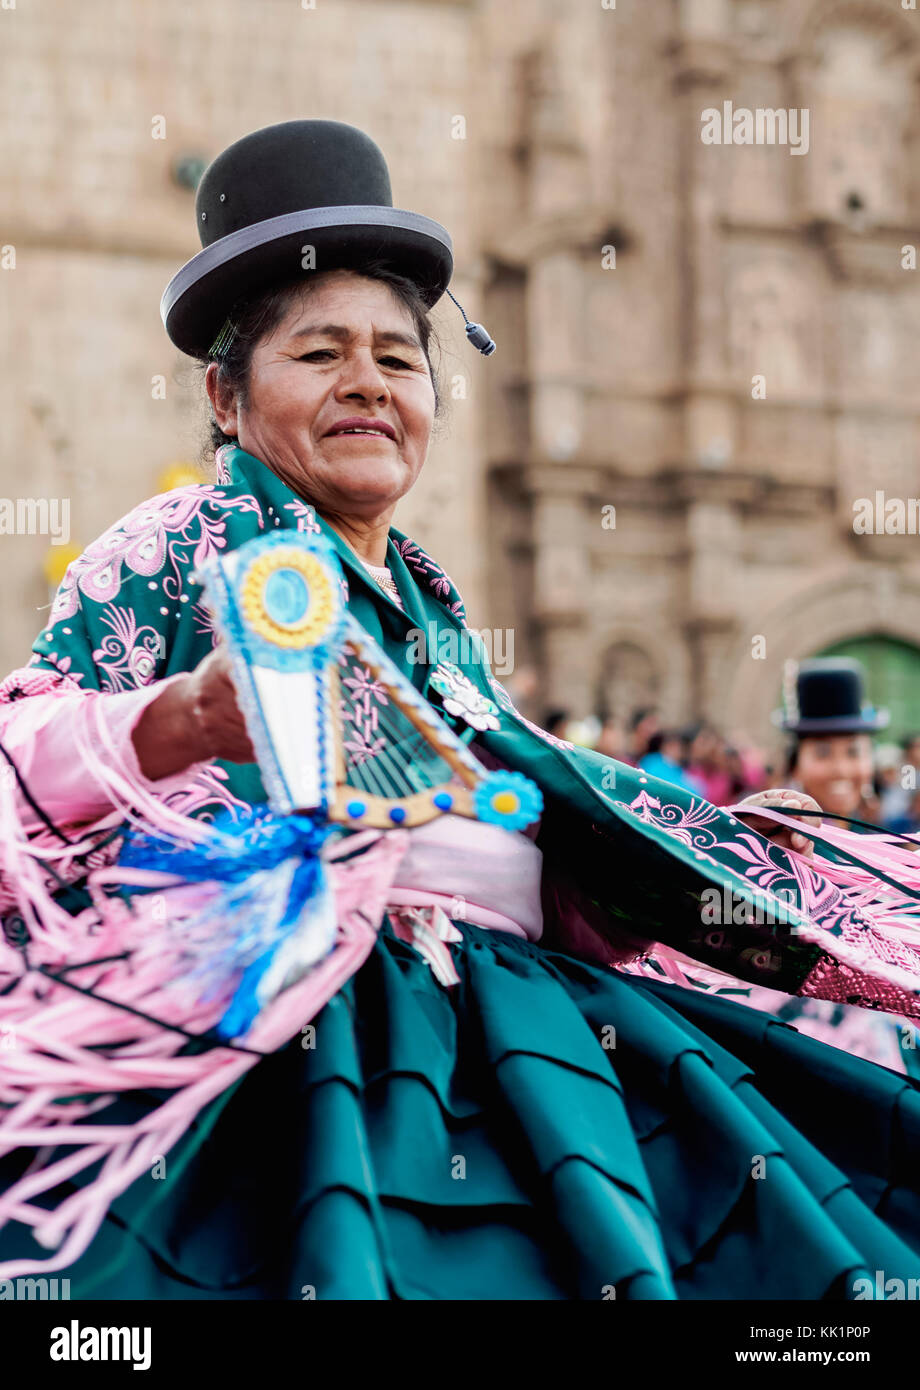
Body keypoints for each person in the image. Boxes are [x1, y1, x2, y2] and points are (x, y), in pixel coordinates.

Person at [1, 120, 919, 1302]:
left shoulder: (429, 599)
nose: (367, 383)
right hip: (284, 1037)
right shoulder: (175, 546)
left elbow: (513, 832)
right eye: (318, 352)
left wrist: (710, 851)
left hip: (510, 1024)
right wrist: (181, 719)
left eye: (396, 355)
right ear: (227, 401)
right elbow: (22, 755)